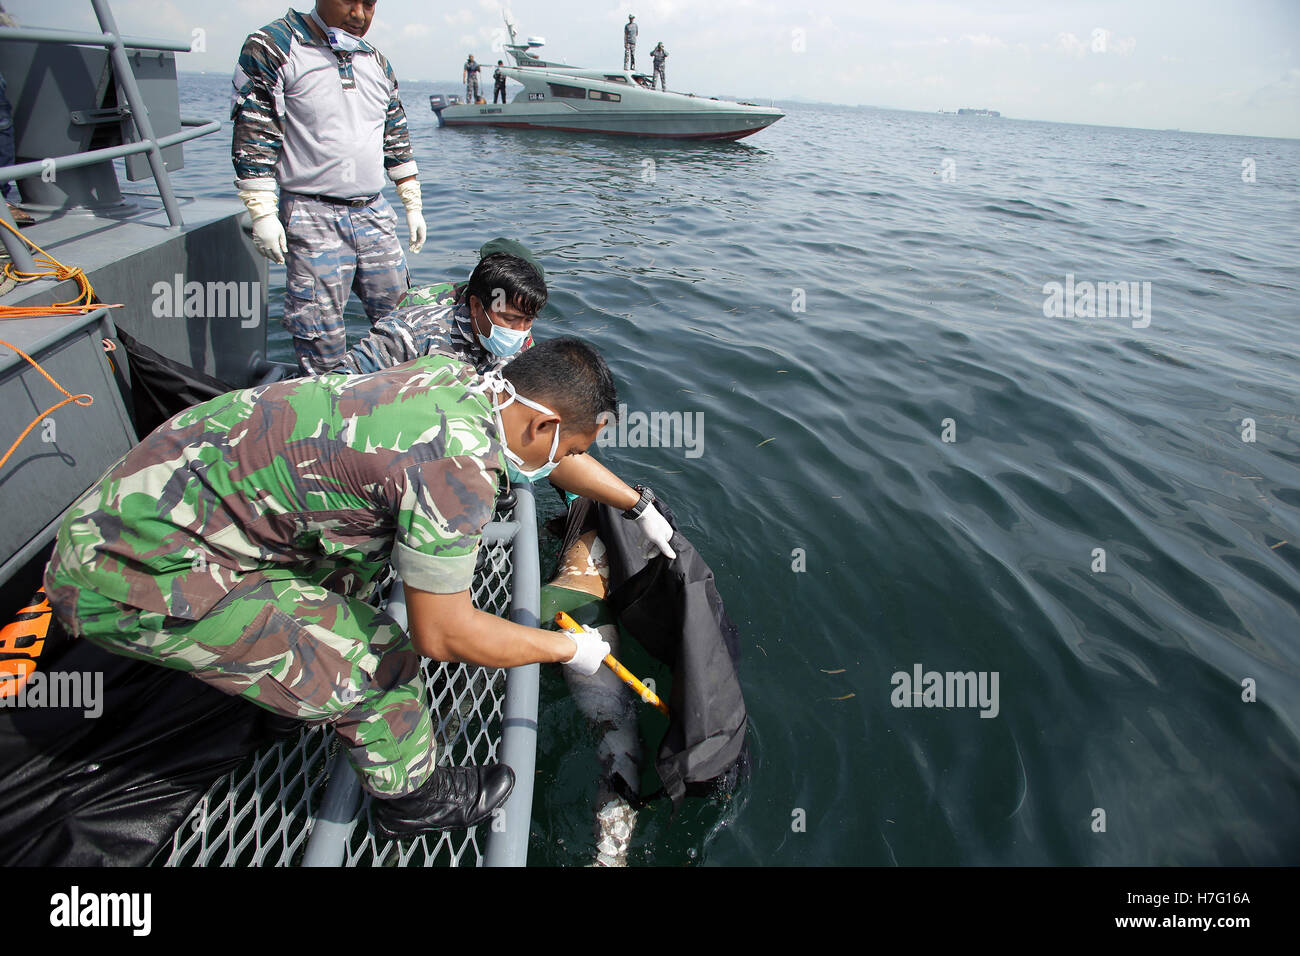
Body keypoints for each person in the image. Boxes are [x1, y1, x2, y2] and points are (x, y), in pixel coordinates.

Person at [43, 338, 625, 837]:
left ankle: (284, 688)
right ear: (543, 423)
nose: (563, 464)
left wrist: (637, 505)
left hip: (135, 510)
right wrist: (568, 648)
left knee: (357, 569)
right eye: (569, 450)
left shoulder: (457, 380)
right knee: (382, 656)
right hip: (128, 574)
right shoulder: (457, 471)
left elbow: (549, 451)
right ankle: (411, 800)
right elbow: (442, 634)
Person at [328, 237, 679, 561]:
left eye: (528, 321)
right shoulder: (411, 334)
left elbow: (536, 435)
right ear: (476, 305)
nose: (519, 333)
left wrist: (639, 506)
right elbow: (336, 396)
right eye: (509, 319)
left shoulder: (518, 346)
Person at [232, 1, 427, 375]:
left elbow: (396, 136)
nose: (358, 14)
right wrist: (262, 212)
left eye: (369, 4)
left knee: (404, 320)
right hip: (311, 212)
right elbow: (256, 133)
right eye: (348, 1)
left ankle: (398, 400)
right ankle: (328, 412)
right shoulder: (273, 46)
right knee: (319, 332)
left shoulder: (378, 63)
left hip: (373, 212)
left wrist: (411, 203)